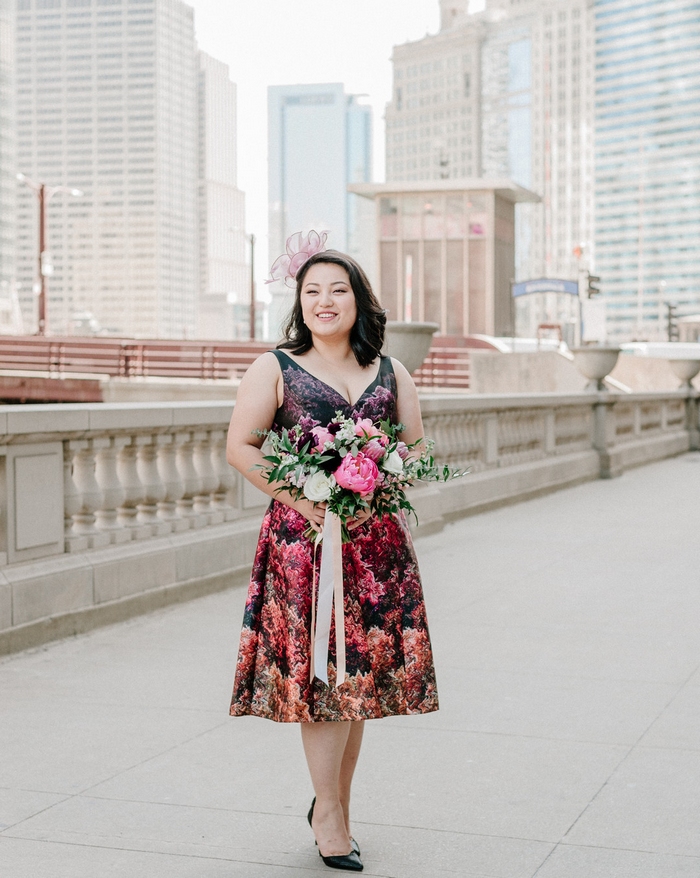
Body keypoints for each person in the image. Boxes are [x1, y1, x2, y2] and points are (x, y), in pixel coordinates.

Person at [227, 234, 438, 873]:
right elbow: (242, 446)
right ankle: (333, 817)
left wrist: (383, 475)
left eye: (338, 289)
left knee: (359, 682)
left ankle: (331, 805)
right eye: (312, 290)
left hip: (376, 551)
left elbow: (419, 448)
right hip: (306, 545)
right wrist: (310, 496)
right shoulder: (276, 367)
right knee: (322, 679)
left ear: (358, 301)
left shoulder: (391, 371)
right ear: (300, 301)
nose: (325, 301)